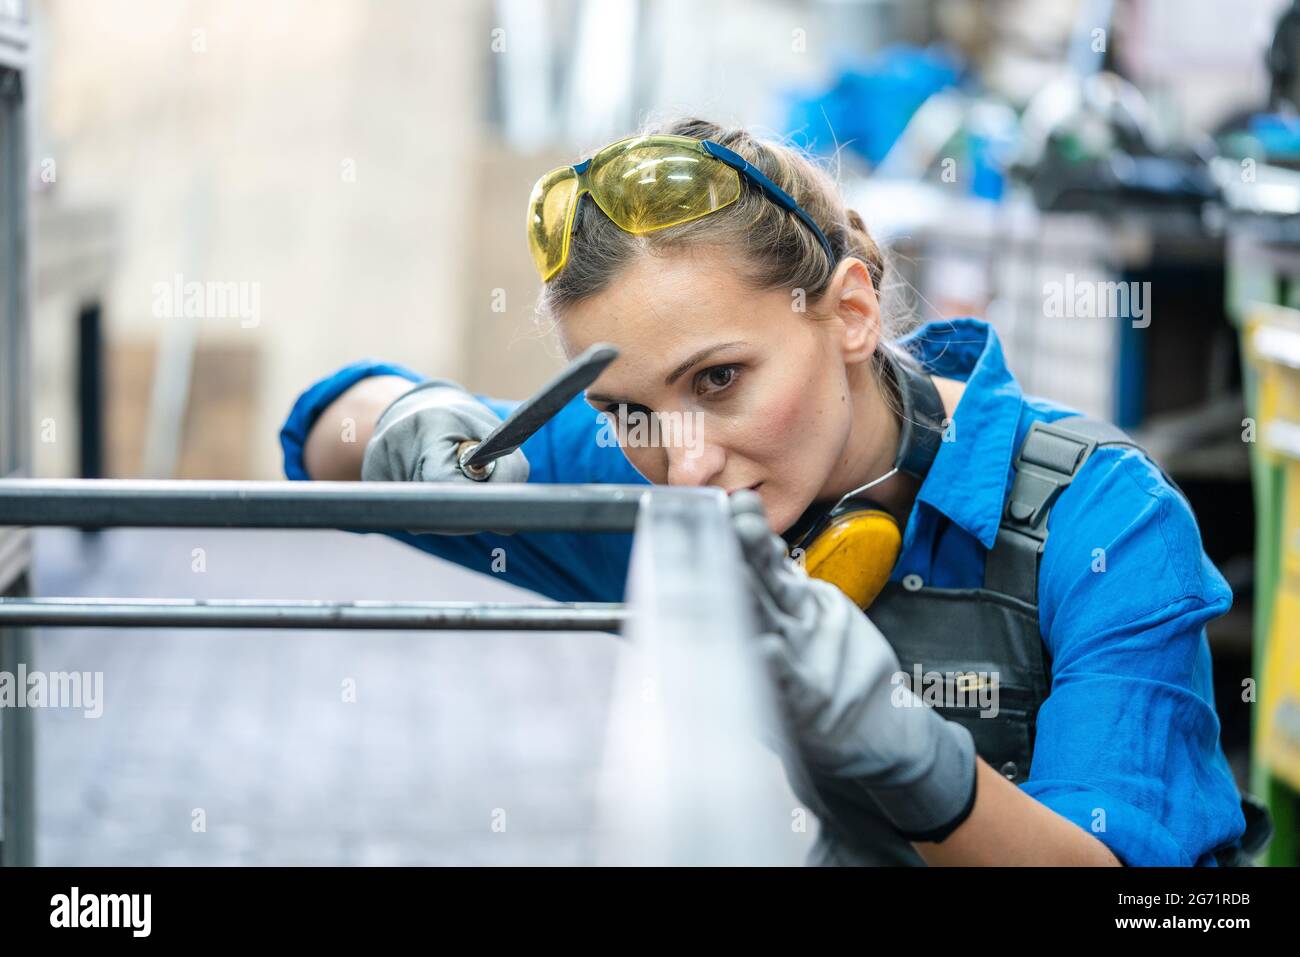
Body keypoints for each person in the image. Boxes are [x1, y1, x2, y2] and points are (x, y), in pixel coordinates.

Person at [281, 117, 1254, 866]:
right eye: (626, 411)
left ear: (852, 312)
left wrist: (917, 766)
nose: (688, 465)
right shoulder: (664, 480)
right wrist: (409, 421)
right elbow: (328, 434)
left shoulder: (1106, 524)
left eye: (719, 381)